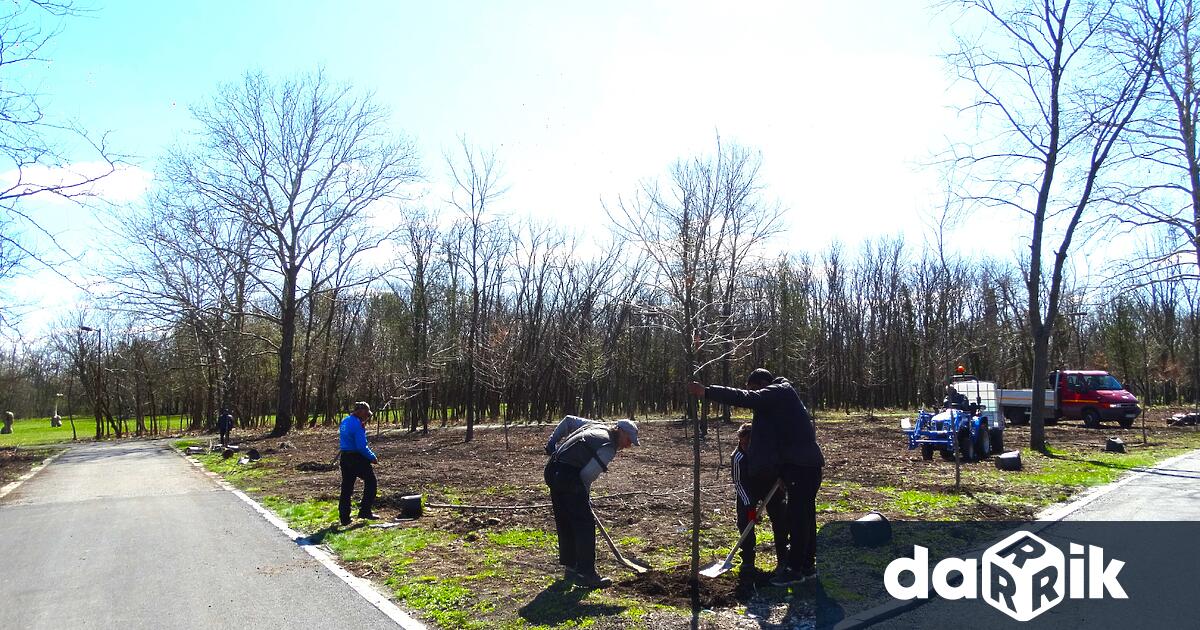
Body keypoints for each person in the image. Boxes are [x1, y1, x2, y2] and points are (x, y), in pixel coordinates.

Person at [688, 368, 824, 586]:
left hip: (801, 466)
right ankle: (807, 565)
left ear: (762, 384)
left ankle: (795, 569)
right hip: (801, 466)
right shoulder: (779, 405)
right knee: (804, 517)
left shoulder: (779, 391)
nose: (751, 393)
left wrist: (707, 392)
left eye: (753, 388)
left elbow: (746, 398)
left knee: (798, 519)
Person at [543, 415, 640, 588]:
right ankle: (587, 574)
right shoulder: (608, 447)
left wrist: (552, 443)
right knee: (584, 524)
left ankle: (571, 568)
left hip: (552, 469)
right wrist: (582, 498)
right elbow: (586, 476)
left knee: (565, 520)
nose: (628, 445)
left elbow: (568, 421)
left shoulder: (596, 425)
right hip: (567, 475)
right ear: (620, 431)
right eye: (628, 439)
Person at [732, 422, 787, 584]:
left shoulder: (768, 451)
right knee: (744, 521)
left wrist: (782, 478)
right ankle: (748, 559)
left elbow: (781, 464)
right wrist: (750, 508)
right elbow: (740, 485)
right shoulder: (738, 458)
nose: (746, 446)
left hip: (770, 485)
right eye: (743, 443)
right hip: (749, 489)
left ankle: (783, 559)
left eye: (749, 443)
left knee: (781, 521)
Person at [338, 401, 379, 526]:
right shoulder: (357, 424)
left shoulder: (345, 421)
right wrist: (372, 457)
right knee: (371, 482)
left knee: (347, 487)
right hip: (356, 458)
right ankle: (365, 510)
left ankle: (344, 517)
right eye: (366, 414)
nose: (367, 416)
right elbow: (361, 446)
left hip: (345, 457)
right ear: (360, 411)